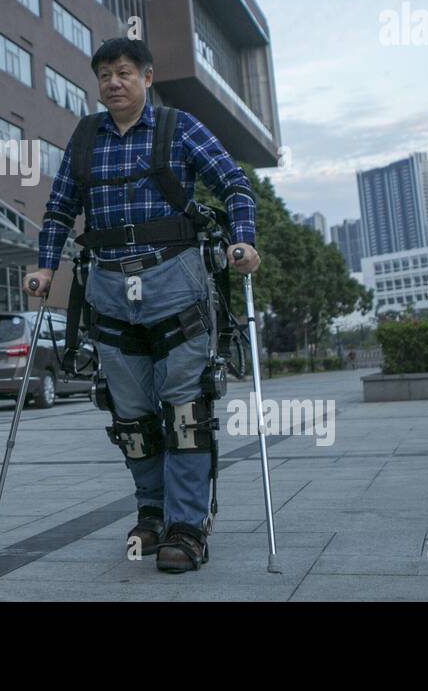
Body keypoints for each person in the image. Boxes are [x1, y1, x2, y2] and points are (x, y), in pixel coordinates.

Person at [26, 37, 260, 574]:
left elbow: (236, 185)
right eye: (105, 73)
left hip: (176, 281)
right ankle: (151, 514)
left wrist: (241, 241)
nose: (113, 82)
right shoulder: (85, 137)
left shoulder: (181, 128)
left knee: (184, 412)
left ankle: (187, 525)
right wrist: (45, 265)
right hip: (108, 287)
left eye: (124, 72)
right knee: (130, 416)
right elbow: (60, 209)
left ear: (147, 78)